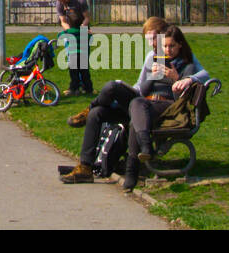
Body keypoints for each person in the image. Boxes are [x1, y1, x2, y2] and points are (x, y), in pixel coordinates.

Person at [60, 22, 209, 191]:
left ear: (179, 45)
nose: (167, 50)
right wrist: (154, 76)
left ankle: (134, 166)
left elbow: (181, 98)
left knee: (136, 108)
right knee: (98, 110)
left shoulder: (186, 64)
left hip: (160, 107)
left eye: (170, 46)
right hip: (142, 101)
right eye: (163, 46)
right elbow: (142, 88)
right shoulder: (153, 58)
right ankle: (85, 166)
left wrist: (176, 78)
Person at [53, 0, 92, 95]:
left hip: (83, 31)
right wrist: (70, 32)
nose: (62, 4)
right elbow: (63, 21)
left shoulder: (80, 0)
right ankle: (74, 87)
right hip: (71, 33)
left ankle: (86, 86)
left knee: (83, 62)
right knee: (72, 61)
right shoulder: (59, 4)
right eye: (60, 1)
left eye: (63, 0)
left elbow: (87, 18)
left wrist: (83, 29)